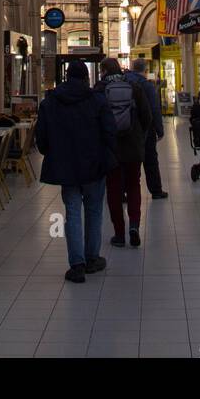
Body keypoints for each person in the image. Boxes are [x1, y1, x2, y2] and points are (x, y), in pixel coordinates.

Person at [35, 57, 116, 284]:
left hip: (66, 166)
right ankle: (92, 258)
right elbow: (109, 132)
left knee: (72, 212)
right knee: (94, 210)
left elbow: (41, 137)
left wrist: (51, 153)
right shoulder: (97, 100)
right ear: (86, 78)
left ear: (66, 76)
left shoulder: (51, 101)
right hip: (94, 165)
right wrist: (108, 156)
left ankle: (77, 264)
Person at [96, 57, 152, 249]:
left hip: (111, 148)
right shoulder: (134, 86)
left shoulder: (101, 89)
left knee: (113, 190)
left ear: (103, 70)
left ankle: (119, 233)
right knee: (134, 186)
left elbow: (95, 119)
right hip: (133, 145)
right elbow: (147, 116)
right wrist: (139, 136)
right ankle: (134, 225)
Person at [127, 58, 167, 199]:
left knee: (128, 160)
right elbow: (155, 109)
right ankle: (156, 190)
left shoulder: (124, 81)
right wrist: (159, 130)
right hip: (145, 128)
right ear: (145, 70)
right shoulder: (147, 85)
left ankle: (125, 191)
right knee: (150, 159)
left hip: (126, 127)